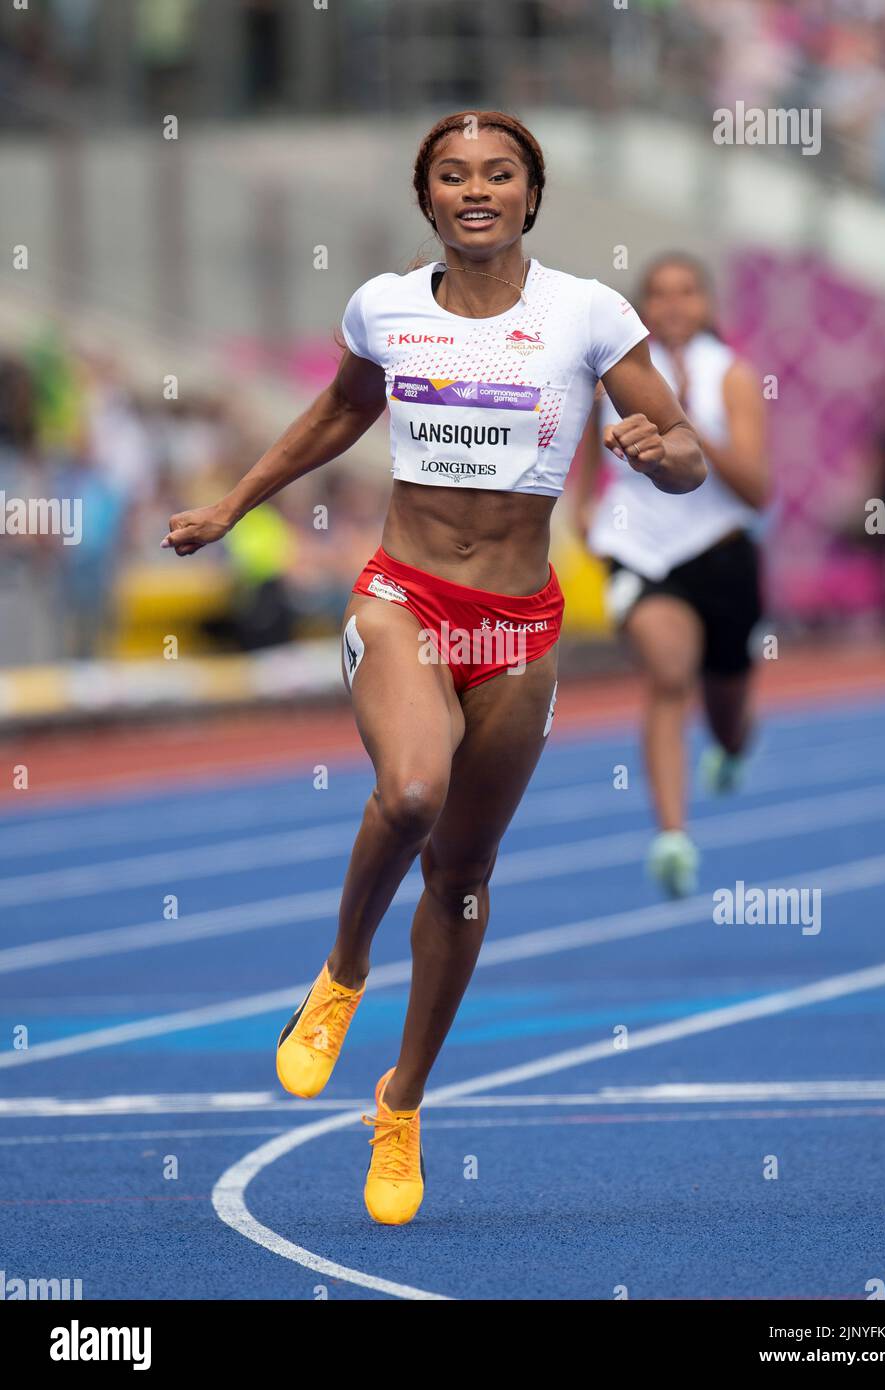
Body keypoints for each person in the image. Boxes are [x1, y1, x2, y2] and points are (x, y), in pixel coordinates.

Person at [162, 112, 705, 1225]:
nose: (475, 190)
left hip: (517, 626)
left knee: (461, 877)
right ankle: (342, 971)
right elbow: (336, 411)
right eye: (452, 175)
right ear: (427, 198)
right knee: (411, 789)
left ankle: (400, 1100)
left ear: (529, 195)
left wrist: (665, 455)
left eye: (497, 174)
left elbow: (688, 451)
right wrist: (231, 504)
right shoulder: (384, 306)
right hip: (406, 597)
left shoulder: (588, 316)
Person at [575, 252, 769, 898]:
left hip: (720, 552)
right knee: (667, 674)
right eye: (659, 294)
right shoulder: (613, 373)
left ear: (707, 304)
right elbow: (583, 444)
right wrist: (581, 508)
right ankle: (671, 835)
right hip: (640, 552)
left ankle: (733, 745)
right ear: (641, 306)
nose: (674, 305)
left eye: (688, 292)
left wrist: (688, 423)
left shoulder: (732, 377)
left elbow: (757, 490)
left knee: (726, 717)